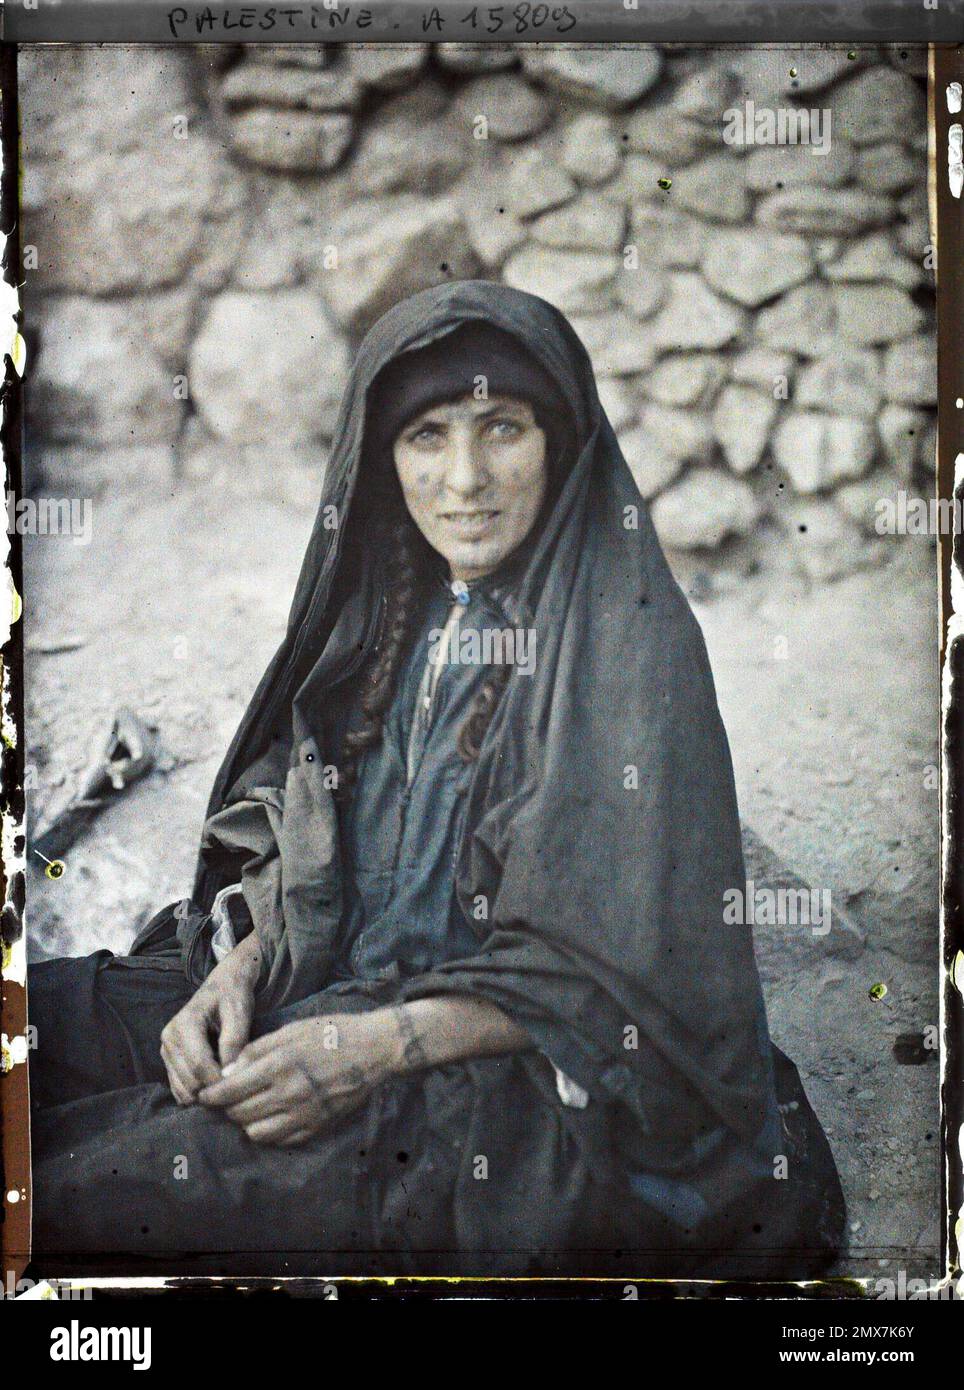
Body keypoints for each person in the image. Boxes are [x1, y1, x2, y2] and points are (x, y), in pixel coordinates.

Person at [28, 280, 844, 1277]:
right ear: (382, 457)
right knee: (42, 1022)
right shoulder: (391, 600)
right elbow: (295, 815)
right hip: (328, 976)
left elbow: (635, 985)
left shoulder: (627, 648)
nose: (465, 479)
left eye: (501, 427)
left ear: (563, 440)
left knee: (84, 1188)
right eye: (426, 435)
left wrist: (370, 1050)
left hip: (505, 1083)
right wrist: (244, 961)